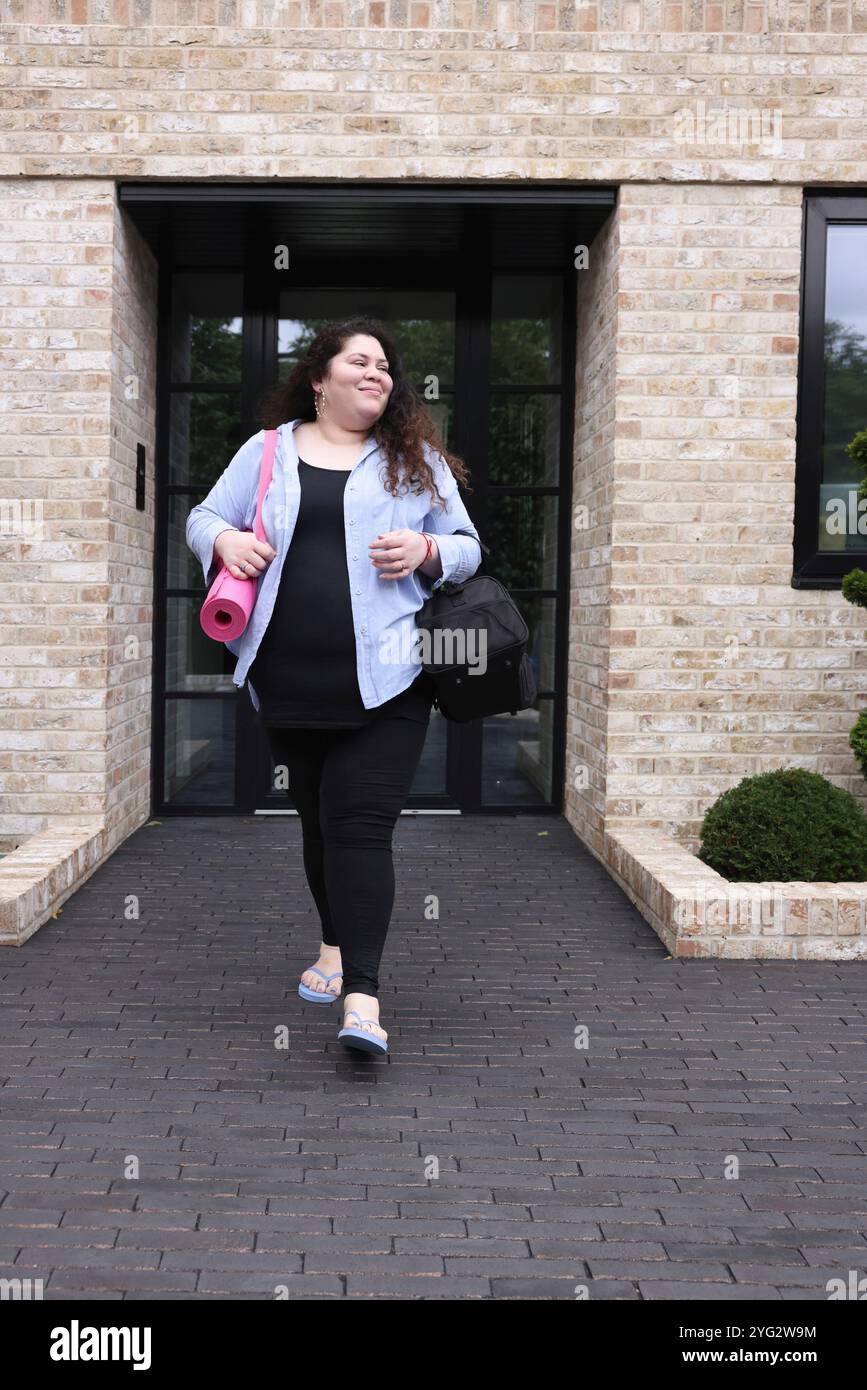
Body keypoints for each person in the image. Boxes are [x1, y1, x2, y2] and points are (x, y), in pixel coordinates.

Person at [185, 317, 483, 1055]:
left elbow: (469, 549)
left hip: (389, 678)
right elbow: (204, 517)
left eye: (385, 366)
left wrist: (425, 549)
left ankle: (363, 999)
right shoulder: (266, 452)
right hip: (285, 678)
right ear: (319, 379)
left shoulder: (413, 462)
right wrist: (224, 541)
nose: (377, 373)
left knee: (360, 826)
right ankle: (331, 944)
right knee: (318, 824)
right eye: (360, 361)